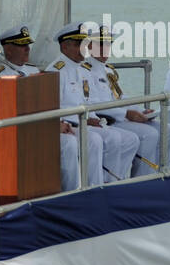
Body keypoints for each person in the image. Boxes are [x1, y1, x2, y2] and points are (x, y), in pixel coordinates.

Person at [0, 24, 101, 190]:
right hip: (22, 129)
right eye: (22, 45)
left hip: (45, 125)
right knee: (69, 144)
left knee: (90, 140)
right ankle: (71, 191)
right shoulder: (1, 75)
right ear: (8, 50)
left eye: (28, 45)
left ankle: (92, 188)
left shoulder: (32, 70)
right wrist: (54, 124)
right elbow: (11, 110)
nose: (27, 49)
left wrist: (58, 122)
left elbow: (48, 103)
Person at [85, 24, 170, 176]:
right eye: (101, 44)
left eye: (108, 44)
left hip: (122, 116)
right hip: (109, 120)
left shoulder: (108, 70)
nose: (105, 48)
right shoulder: (84, 70)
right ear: (89, 45)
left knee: (168, 130)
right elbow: (93, 105)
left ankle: (160, 173)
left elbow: (120, 97)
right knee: (149, 135)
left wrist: (141, 111)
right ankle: (142, 181)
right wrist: (127, 113)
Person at [51, 22, 137, 180]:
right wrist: (75, 121)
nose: (84, 48)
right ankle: (92, 187)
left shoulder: (79, 69)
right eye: (78, 44)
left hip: (85, 121)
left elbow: (86, 101)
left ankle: (110, 183)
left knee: (126, 139)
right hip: (68, 125)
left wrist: (94, 119)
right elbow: (52, 107)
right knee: (96, 140)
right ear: (64, 47)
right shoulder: (56, 71)